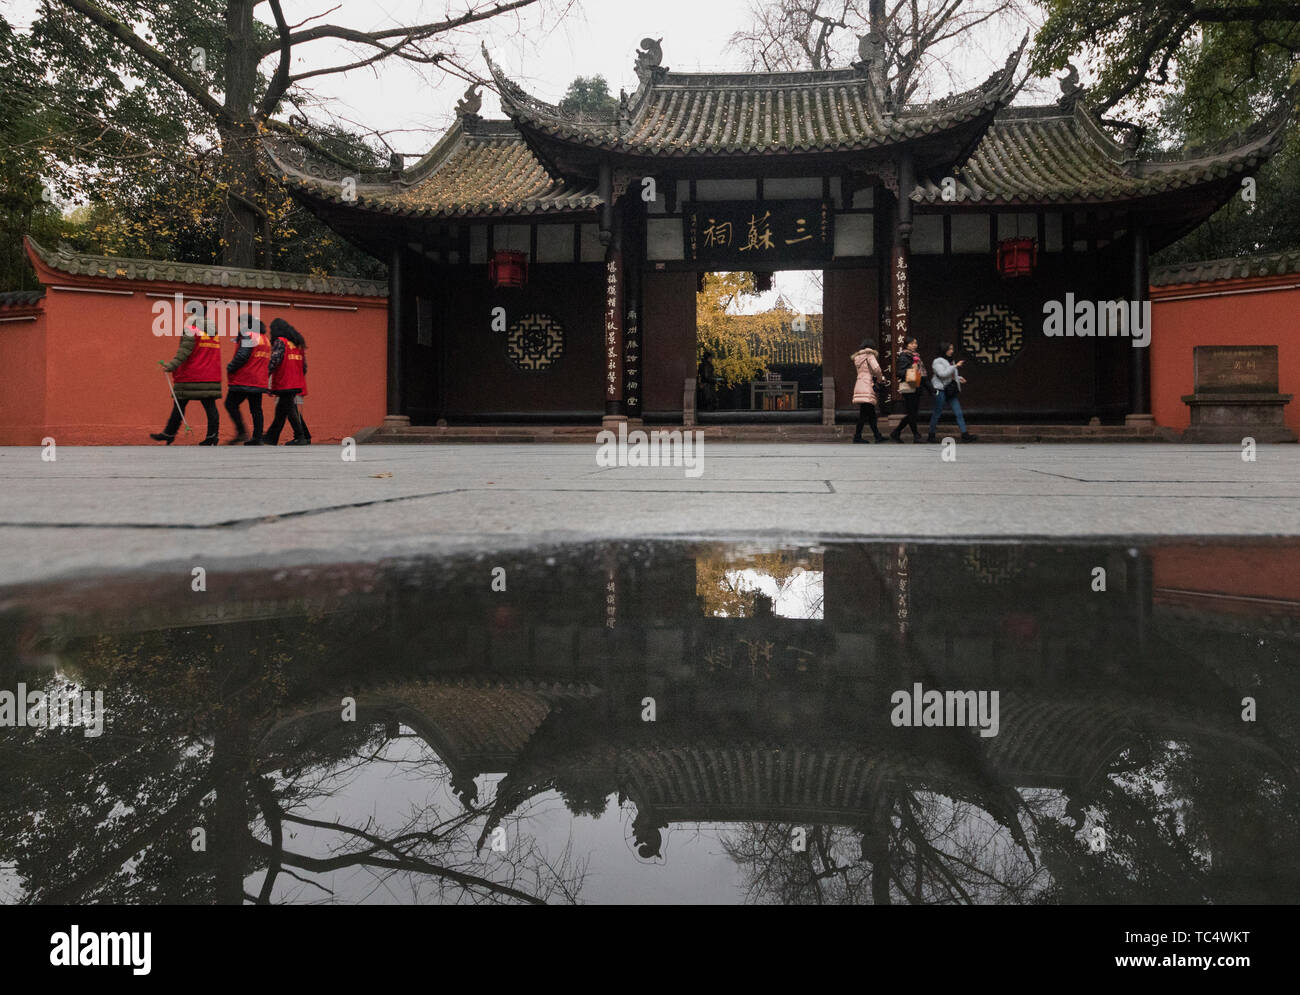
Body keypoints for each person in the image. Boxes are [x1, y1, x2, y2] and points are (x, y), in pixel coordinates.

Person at [150, 309, 221, 445]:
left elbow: (184, 351)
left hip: (192, 374)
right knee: (209, 405)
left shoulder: (191, 329)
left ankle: (169, 433)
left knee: (180, 403)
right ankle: (212, 435)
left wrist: (171, 365)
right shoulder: (213, 332)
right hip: (210, 373)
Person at [263, 318, 309, 445]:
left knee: (288, 409)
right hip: (296, 380)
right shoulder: (298, 344)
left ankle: (300, 436)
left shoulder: (280, 342)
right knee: (282, 410)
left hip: (284, 380)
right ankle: (271, 437)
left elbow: (274, 360)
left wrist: (264, 374)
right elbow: (304, 366)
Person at [224, 319, 269, 444]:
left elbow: (243, 355)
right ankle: (257, 437)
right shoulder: (265, 339)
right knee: (256, 409)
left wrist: (230, 367)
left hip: (244, 378)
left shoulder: (248, 335)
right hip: (258, 379)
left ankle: (242, 431)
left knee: (230, 404)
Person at [927, 341, 978, 443]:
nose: (952, 351)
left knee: (958, 412)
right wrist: (955, 366)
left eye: (952, 349)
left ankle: (965, 434)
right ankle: (931, 435)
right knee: (937, 412)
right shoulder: (937, 361)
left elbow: (950, 376)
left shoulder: (951, 360)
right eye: (950, 349)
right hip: (940, 389)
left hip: (950, 390)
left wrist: (959, 378)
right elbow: (942, 374)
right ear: (944, 350)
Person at [850, 337, 886, 443]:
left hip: (860, 383)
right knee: (865, 414)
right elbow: (876, 369)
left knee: (869, 413)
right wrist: (880, 379)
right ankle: (858, 437)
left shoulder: (857, 358)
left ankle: (877, 435)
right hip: (867, 384)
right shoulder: (870, 355)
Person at [889, 336, 925, 443]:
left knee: (912, 413)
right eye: (912, 343)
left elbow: (922, 373)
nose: (915, 345)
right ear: (907, 345)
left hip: (916, 387)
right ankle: (916, 435)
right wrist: (911, 368)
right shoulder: (904, 356)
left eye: (916, 343)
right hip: (909, 388)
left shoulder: (916, 356)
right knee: (912, 413)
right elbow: (899, 373)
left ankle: (896, 432)